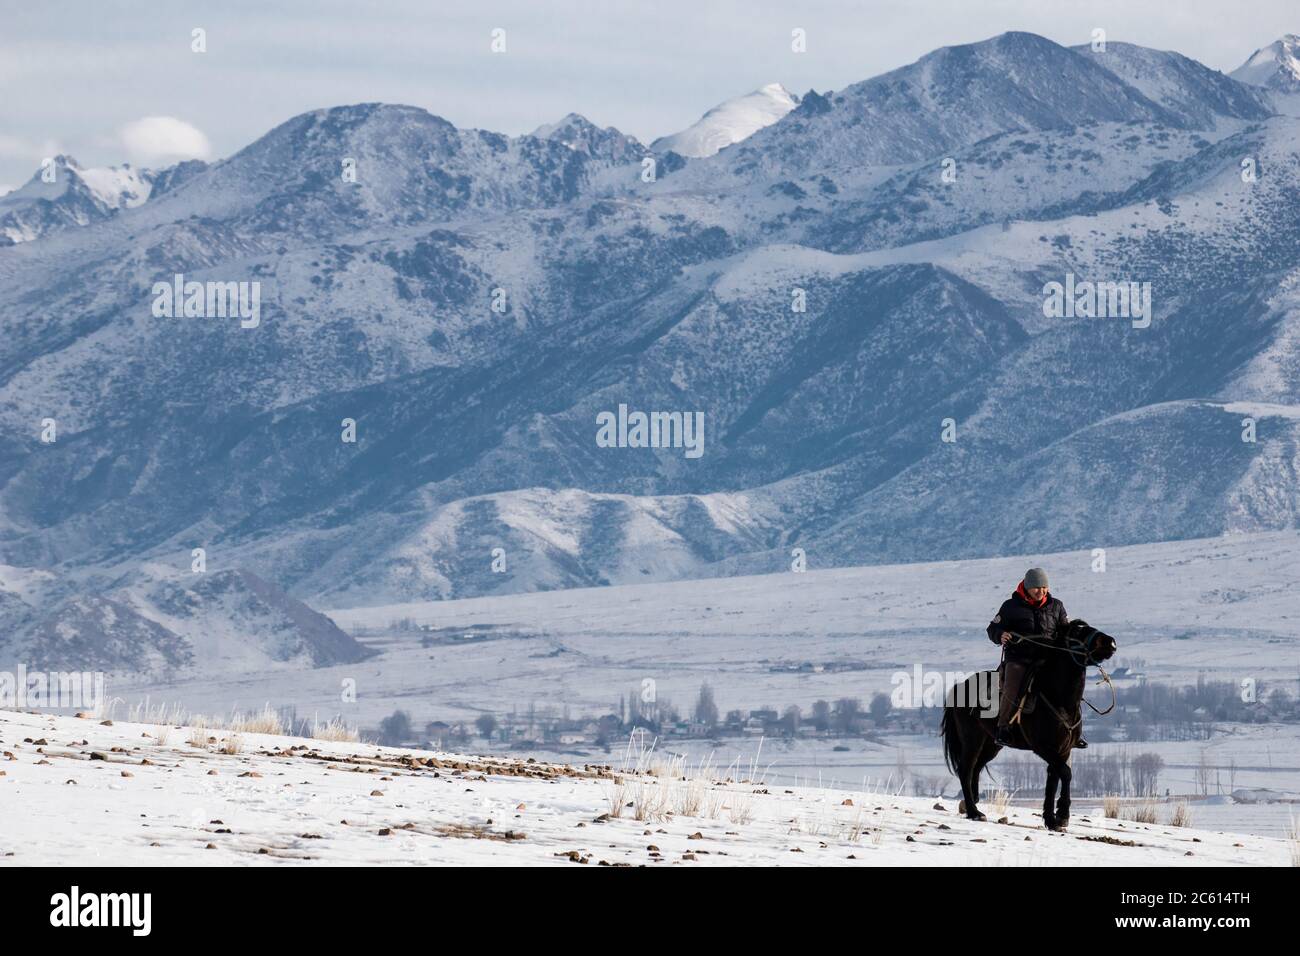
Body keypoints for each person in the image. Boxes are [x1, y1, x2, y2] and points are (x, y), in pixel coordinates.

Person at [986, 567, 1087, 748]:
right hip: (1019, 659)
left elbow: (1065, 630)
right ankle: (1003, 728)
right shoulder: (1010, 606)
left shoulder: (1057, 606)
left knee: (1071, 687)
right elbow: (992, 629)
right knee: (1012, 686)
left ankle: (1075, 732)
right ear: (1026, 587)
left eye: (1044, 588)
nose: (1041, 592)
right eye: (1036, 588)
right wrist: (1000, 634)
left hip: (1048, 660)